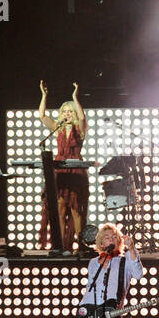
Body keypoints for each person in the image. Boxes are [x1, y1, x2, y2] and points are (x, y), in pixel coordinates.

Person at [77, 224, 141, 318]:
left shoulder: (125, 260)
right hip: (92, 317)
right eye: (107, 237)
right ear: (100, 243)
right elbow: (89, 292)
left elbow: (138, 274)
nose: (111, 239)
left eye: (114, 237)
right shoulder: (93, 263)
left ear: (119, 242)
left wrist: (132, 249)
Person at [37, 80, 89, 252]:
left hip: (75, 171)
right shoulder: (58, 128)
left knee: (76, 210)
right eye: (64, 111)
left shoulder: (79, 130)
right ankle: (60, 245)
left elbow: (82, 118)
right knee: (59, 209)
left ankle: (81, 245)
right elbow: (42, 116)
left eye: (69, 111)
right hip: (60, 171)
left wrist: (75, 97)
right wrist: (44, 96)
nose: (67, 113)